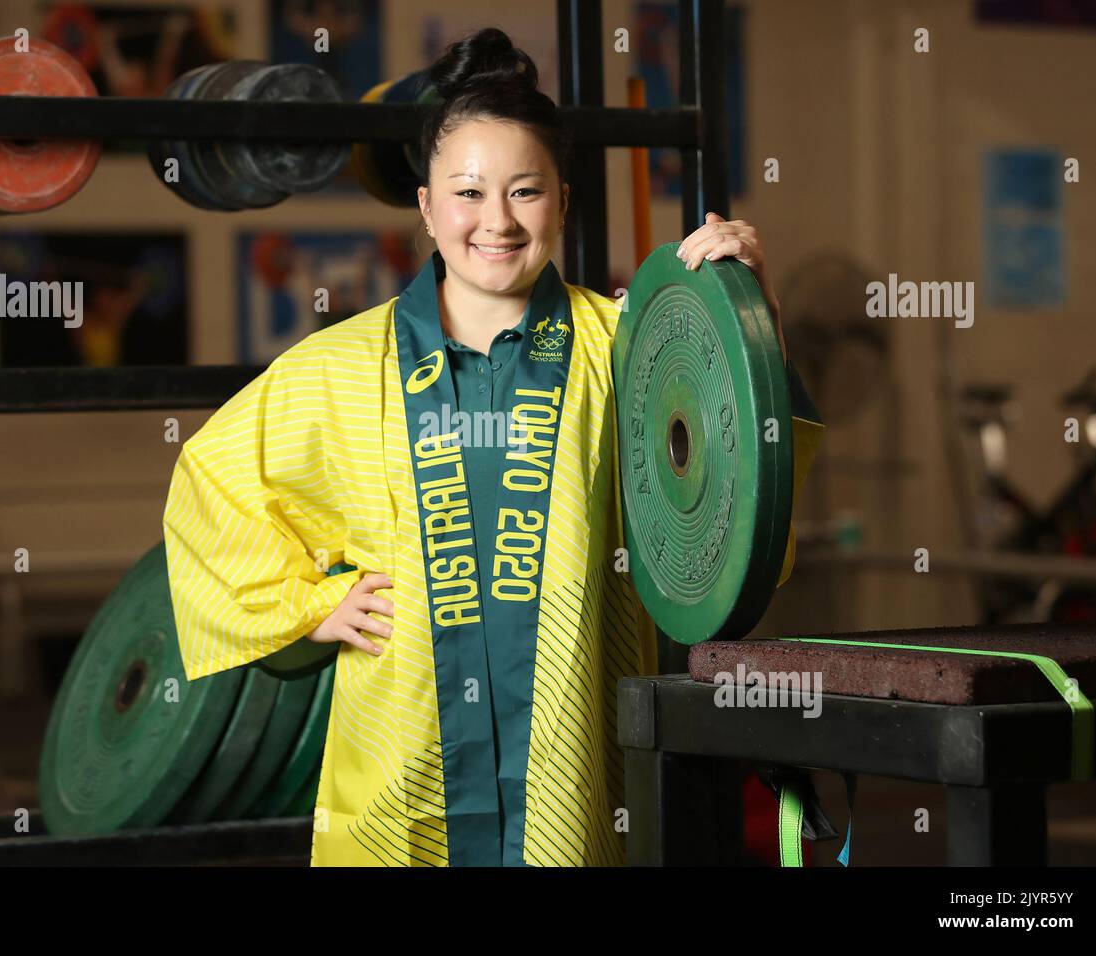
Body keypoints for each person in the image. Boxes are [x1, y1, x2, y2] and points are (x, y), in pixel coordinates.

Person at [163, 27, 818, 866]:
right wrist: (308, 608)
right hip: (398, 789)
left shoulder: (628, 349)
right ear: (428, 207)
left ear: (564, 203)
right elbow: (213, 485)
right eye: (468, 193)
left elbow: (741, 479)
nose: (497, 222)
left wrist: (745, 323)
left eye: (526, 191)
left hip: (569, 786)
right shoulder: (336, 369)